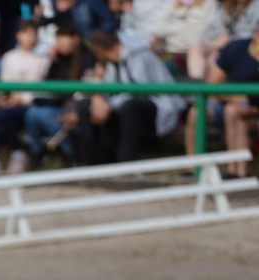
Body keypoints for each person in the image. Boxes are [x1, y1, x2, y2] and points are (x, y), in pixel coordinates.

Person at [70, 29, 187, 165]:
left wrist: (109, 105)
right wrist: (99, 99)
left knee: (130, 107)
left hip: (159, 107)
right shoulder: (113, 62)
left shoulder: (140, 57)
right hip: (126, 106)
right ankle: (92, 164)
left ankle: (126, 165)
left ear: (99, 51)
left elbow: (140, 92)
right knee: (85, 105)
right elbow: (109, 88)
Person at [184, 28, 259, 178]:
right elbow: (212, 86)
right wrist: (235, 97)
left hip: (247, 111)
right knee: (197, 112)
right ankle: (194, 168)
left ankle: (235, 171)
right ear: (255, 34)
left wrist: (251, 107)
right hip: (231, 105)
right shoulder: (235, 49)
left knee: (233, 112)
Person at [24, 22, 94, 168]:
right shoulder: (60, 59)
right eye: (58, 41)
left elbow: (80, 92)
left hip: (74, 107)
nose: (59, 45)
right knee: (32, 113)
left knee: (40, 115)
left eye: (63, 41)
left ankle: (71, 154)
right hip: (59, 104)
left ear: (76, 39)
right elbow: (48, 85)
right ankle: (38, 153)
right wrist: (54, 62)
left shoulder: (88, 58)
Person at [0, 19, 49, 173]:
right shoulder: (9, 57)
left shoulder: (44, 59)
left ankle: (16, 152)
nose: (30, 38)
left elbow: (41, 89)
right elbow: (6, 83)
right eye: (27, 34)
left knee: (3, 115)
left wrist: (22, 99)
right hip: (12, 104)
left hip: (32, 105)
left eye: (33, 34)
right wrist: (5, 99)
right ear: (18, 35)